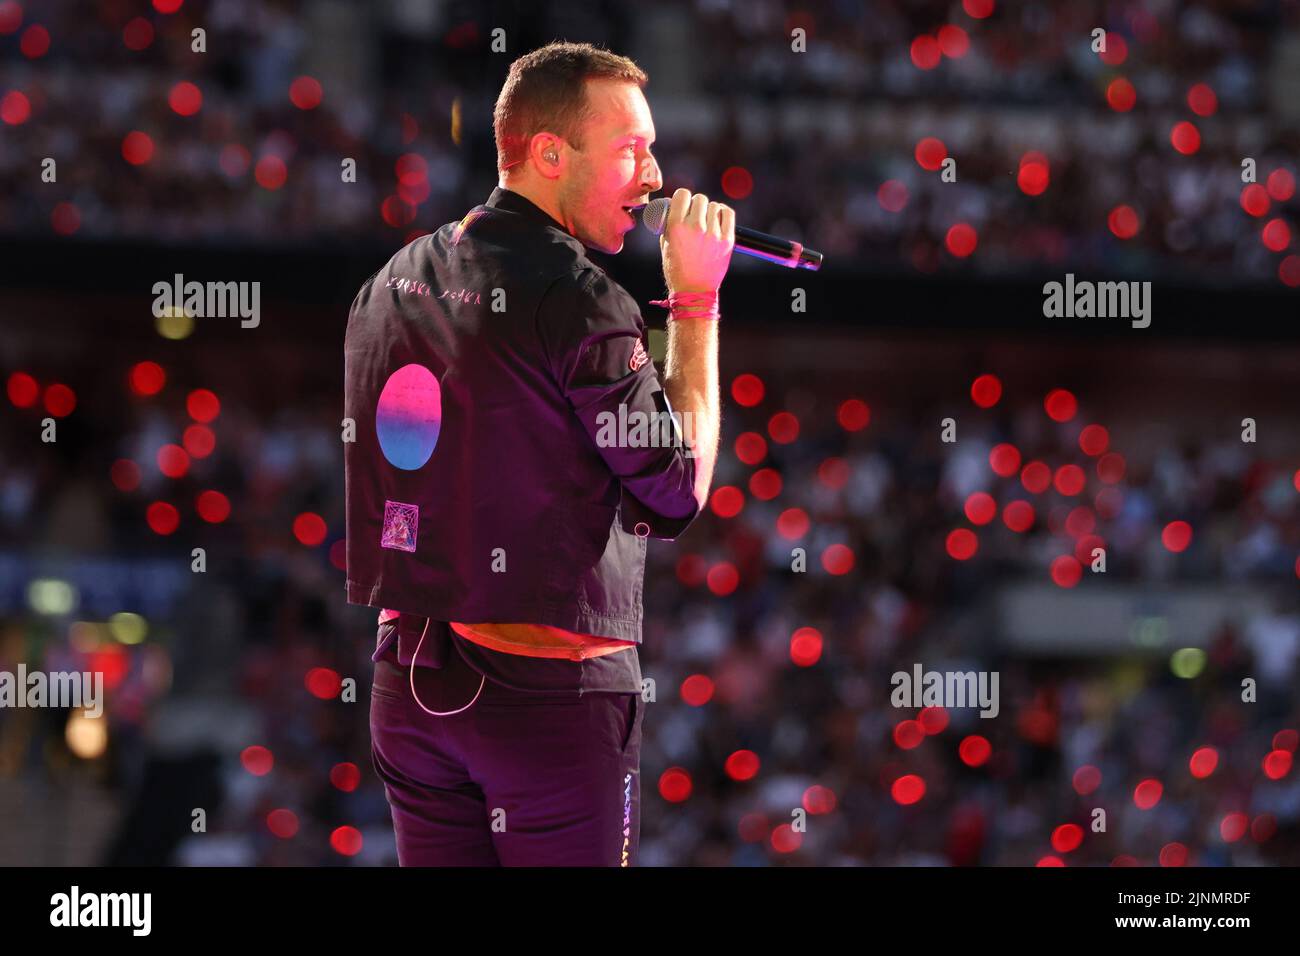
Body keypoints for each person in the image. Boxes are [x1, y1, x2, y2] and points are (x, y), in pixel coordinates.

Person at [343, 41, 735, 865]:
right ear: (549, 153)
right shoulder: (583, 300)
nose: (654, 176)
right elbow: (674, 492)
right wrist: (694, 302)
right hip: (546, 697)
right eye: (632, 148)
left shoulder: (392, 279)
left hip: (408, 681)